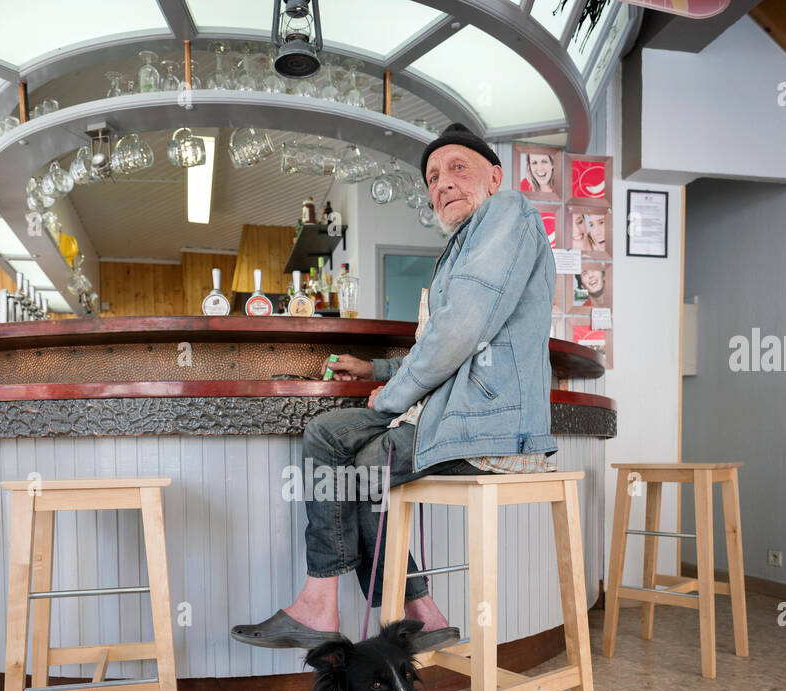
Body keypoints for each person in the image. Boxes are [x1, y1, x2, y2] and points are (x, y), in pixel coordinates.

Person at [231, 123, 559, 651]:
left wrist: (389, 396)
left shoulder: (509, 212)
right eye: (433, 177)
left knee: (363, 470)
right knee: (325, 435)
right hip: (451, 413)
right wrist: (378, 372)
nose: (444, 183)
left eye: (458, 168)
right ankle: (339, 603)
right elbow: (449, 346)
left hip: (492, 427)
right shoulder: (460, 246)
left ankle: (405, 611)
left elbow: (460, 332)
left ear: (494, 177)